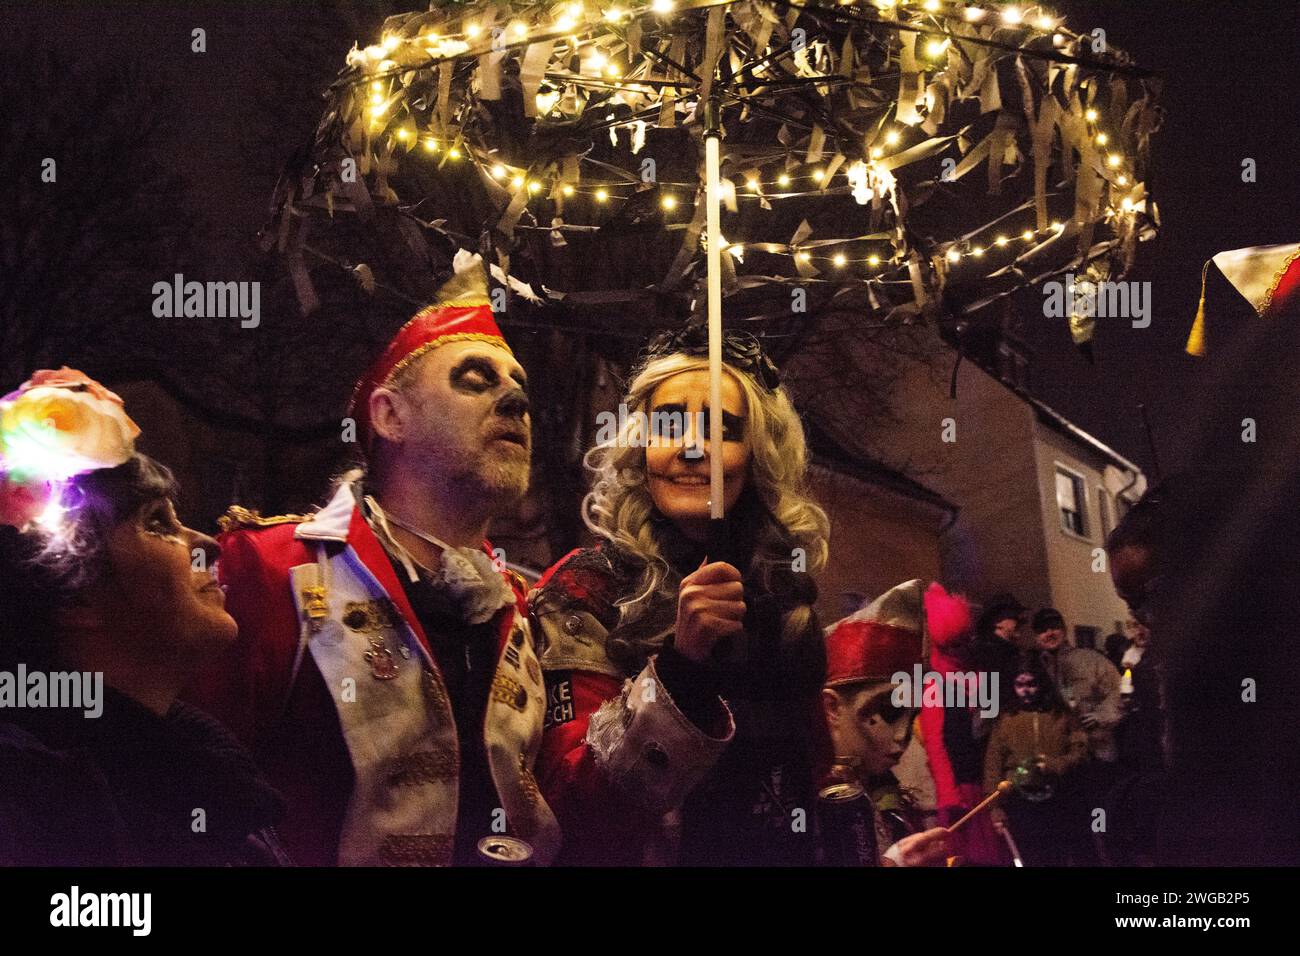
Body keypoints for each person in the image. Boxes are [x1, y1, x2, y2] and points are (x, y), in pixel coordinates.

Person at [186, 258, 568, 866]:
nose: (516, 398)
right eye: (476, 379)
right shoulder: (273, 566)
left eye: (517, 382)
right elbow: (185, 796)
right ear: (390, 416)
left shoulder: (522, 604)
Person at [529, 326, 828, 865]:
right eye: (669, 426)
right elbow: (571, 812)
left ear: (757, 455)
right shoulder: (584, 589)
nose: (692, 448)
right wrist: (680, 673)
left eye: (722, 429)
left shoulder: (782, 590)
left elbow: (814, 780)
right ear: (642, 447)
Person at [0, 368, 287, 866]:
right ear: (75, 596)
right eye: (158, 524)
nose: (208, 544)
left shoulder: (203, 770)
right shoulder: (38, 817)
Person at [818, 579, 951, 866]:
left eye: (912, 715)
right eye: (890, 711)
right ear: (832, 707)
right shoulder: (806, 798)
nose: (903, 735)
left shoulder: (879, 786)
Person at [983, 655, 1089, 866]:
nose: (1026, 691)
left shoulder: (1060, 715)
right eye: (1020, 685)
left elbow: (1080, 749)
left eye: (1031, 684)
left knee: (1057, 856)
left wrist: (1056, 764)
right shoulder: (1007, 719)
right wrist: (994, 806)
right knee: (1027, 856)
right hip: (1020, 801)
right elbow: (993, 762)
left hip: (1057, 798)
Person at [1031, 607, 1121, 762]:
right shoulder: (1036, 668)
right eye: (1043, 630)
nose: (1050, 633)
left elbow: (1118, 690)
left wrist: (1103, 716)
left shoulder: (1090, 659)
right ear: (1036, 637)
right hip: (1062, 753)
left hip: (1097, 747)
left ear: (1064, 630)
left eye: (1055, 627)